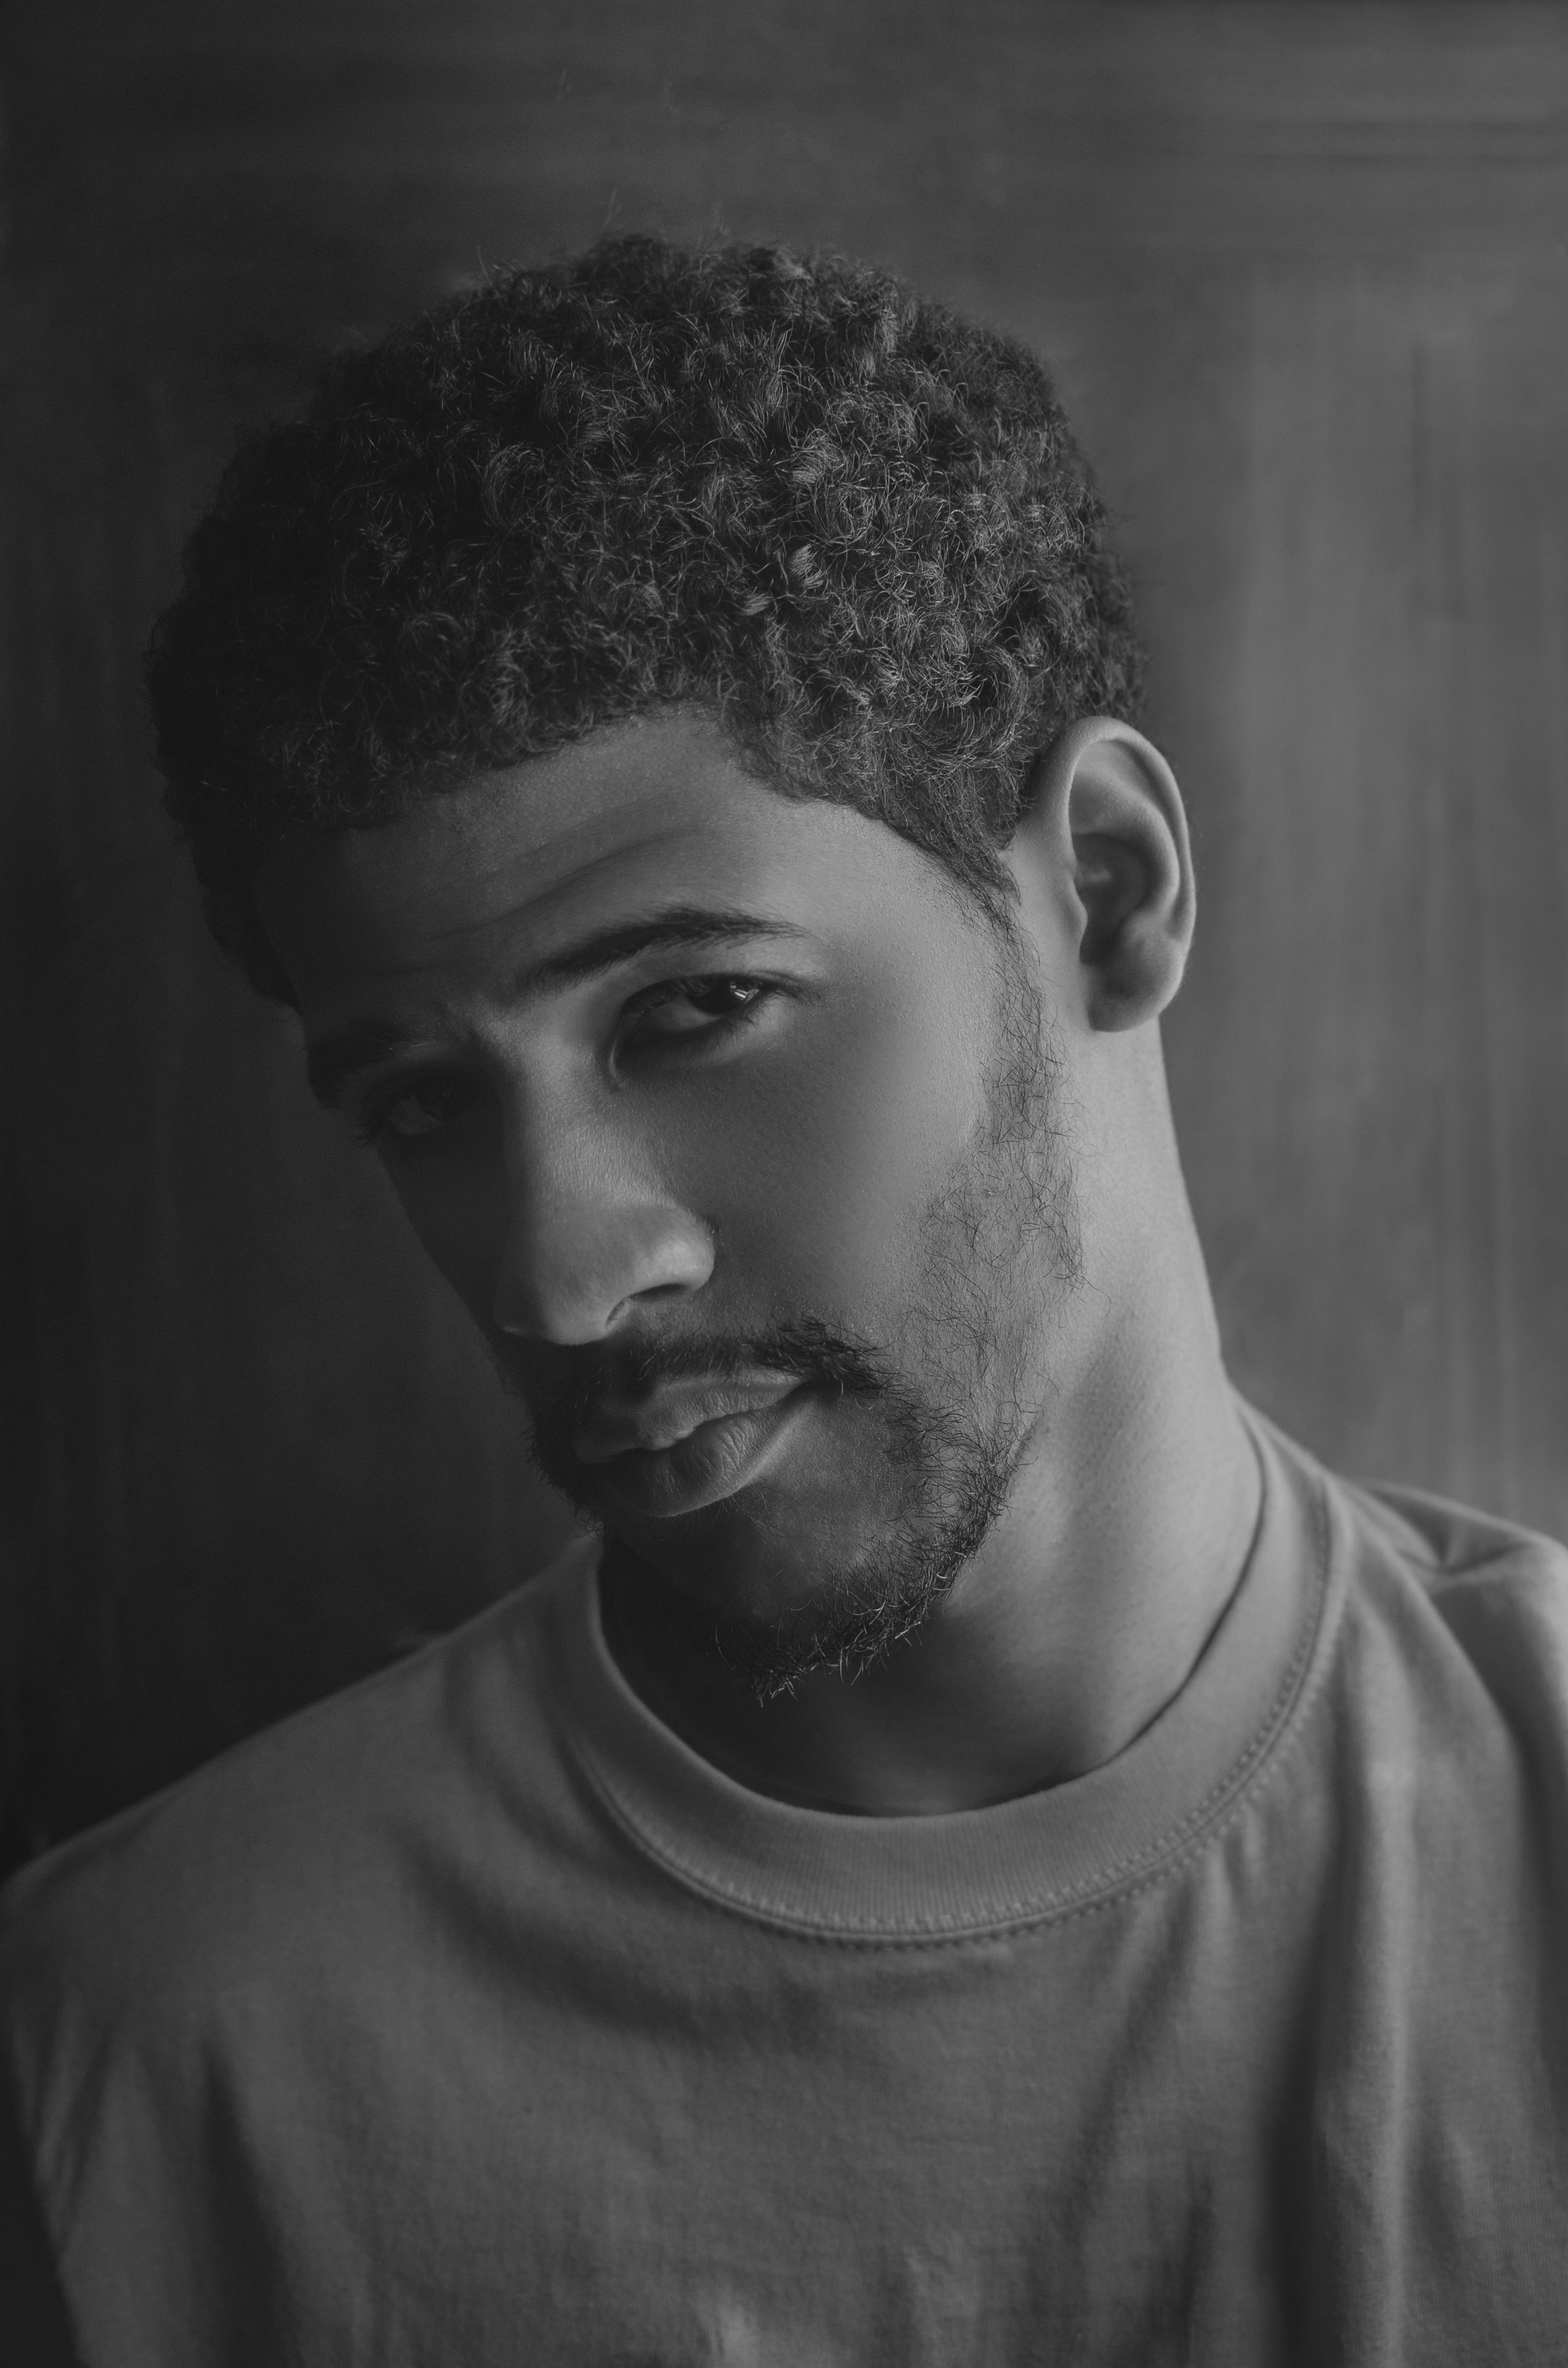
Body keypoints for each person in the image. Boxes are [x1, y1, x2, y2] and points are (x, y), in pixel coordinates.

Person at [2, 235, 1564, 2366]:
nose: (561, 1272)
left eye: (695, 1008)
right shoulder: (144, 2050)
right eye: (422, 1097)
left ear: (1102, 885)